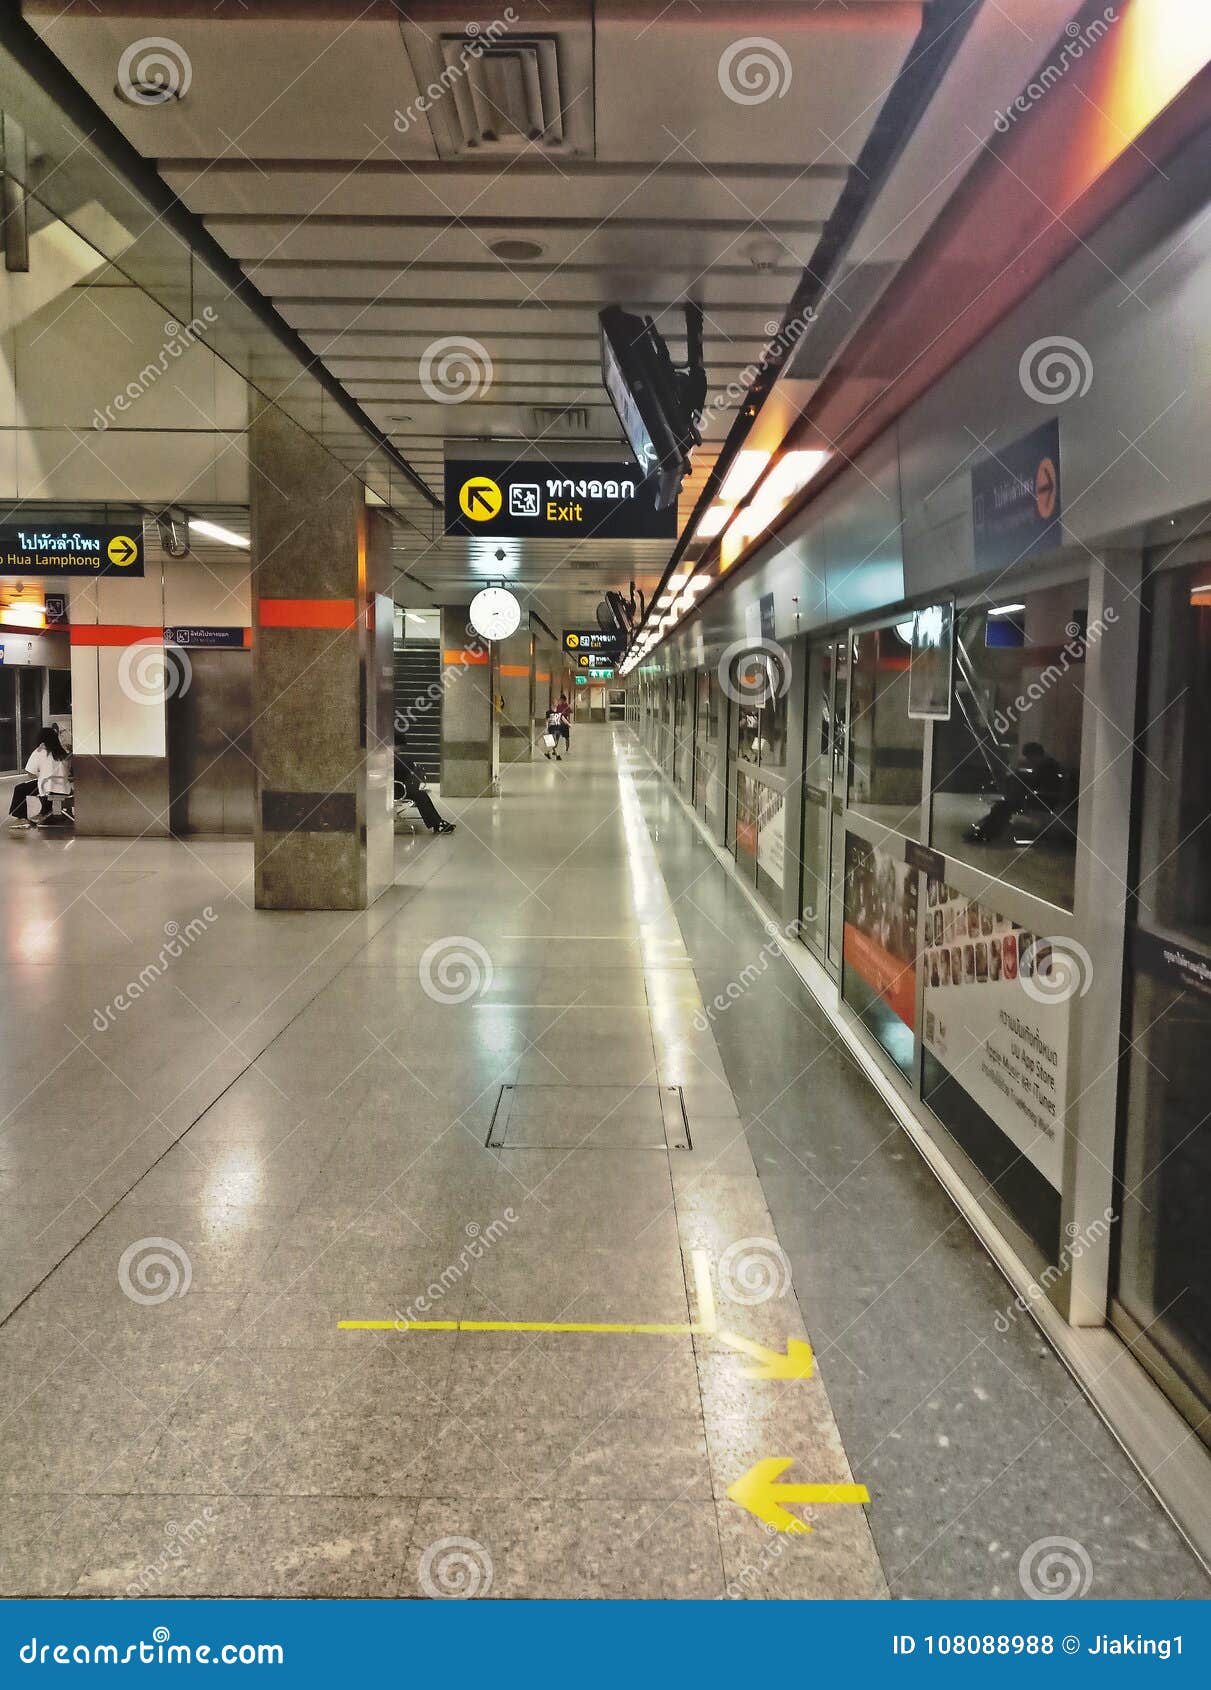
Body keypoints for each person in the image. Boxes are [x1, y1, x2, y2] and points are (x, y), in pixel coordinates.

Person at [965, 740, 1066, 844]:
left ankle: (985, 832)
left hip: (1043, 800)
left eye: (1030, 758)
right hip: (1037, 798)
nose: (1030, 761)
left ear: (1036, 754)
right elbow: (1037, 783)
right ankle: (985, 832)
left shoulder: (1048, 767)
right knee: (1002, 807)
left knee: (1003, 807)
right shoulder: (1046, 765)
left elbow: (1041, 785)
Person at [8, 726, 72, 830]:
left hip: (46, 787)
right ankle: (44, 812)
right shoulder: (62, 752)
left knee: (20, 789)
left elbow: (30, 773)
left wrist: (40, 775)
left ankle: (22, 818)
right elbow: (68, 772)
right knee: (46, 786)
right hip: (64, 788)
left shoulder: (39, 752)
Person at [393, 741, 455, 834]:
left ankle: (437, 823)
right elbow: (405, 765)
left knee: (420, 794)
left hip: (395, 788)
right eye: (398, 746)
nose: (400, 748)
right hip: (394, 790)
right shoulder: (391, 757)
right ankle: (437, 823)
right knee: (420, 795)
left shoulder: (392, 756)